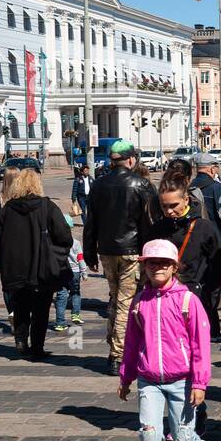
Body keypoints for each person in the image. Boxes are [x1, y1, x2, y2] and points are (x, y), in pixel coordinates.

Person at [117, 239, 218, 441]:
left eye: (163, 263)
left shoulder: (188, 301)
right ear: (144, 267)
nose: (157, 267)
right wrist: (126, 376)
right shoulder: (139, 303)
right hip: (149, 380)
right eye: (151, 262)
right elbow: (131, 342)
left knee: (183, 435)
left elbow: (201, 345)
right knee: (148, 434)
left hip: (182, 381)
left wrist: (200, 383)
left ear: (175, 267)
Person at [148, 173, 221, 433]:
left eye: (174, 205)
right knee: (171, 357)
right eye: (165, 206)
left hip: (195, 300)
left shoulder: (203, 227)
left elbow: (220, 264)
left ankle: (195, 410)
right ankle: (181, 412)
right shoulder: (157, 229)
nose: (170, 211)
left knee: (192, 355)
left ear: (186, 200)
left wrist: (207, 290)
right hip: (163, 302)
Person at [84, 140, 158, 374]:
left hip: (106, 250)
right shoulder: (141, 184)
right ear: (130, 160)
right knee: (126, 301)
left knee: (116, 298)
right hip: (132, 251)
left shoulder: (98, 185)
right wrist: (151, 252)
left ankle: (113, 346)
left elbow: (90, 222)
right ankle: (118, 354)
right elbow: (150, 222)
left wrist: (89, 252)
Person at [0, 168, 72, 360]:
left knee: (20, 305)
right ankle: (37, 347)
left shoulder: (8, 209)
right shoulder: (47, 206)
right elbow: (64, 236)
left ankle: (20, 340)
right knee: (41, 308)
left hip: (14, 266)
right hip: (41, 266)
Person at [53, 215, 87, 332]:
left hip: (61, 272)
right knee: (76, 293)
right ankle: (75, 314)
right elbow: (80, 258)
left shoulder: (55, 242)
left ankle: (60, 322)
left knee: (61, 296)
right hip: (75, 272)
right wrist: (84, 272)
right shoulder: (76, 243)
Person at [192, 152, 221, 239]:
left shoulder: (189, 186)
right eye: (216, 168)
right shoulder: (218, 188)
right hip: (214, 238)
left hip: (193, 236)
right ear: (211, 169)